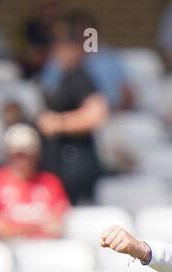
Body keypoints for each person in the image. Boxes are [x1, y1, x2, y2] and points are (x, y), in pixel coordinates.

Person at [35, 15, 109, 205]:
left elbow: (97, 114)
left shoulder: (80, 76)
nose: (59, 52)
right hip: (64, 161)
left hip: (76, 163)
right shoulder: (65, 77)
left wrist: (59, 123)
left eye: (64, 46)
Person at [0, 124, 69, 239]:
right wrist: (31, 228)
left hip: (44, 248)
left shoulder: (50, 182)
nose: (22, 160)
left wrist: (11, 228)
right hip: (6, 249)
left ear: (37, 155)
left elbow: (57, 225)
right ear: (7, 155)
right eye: (17, 154)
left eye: (27, 154)